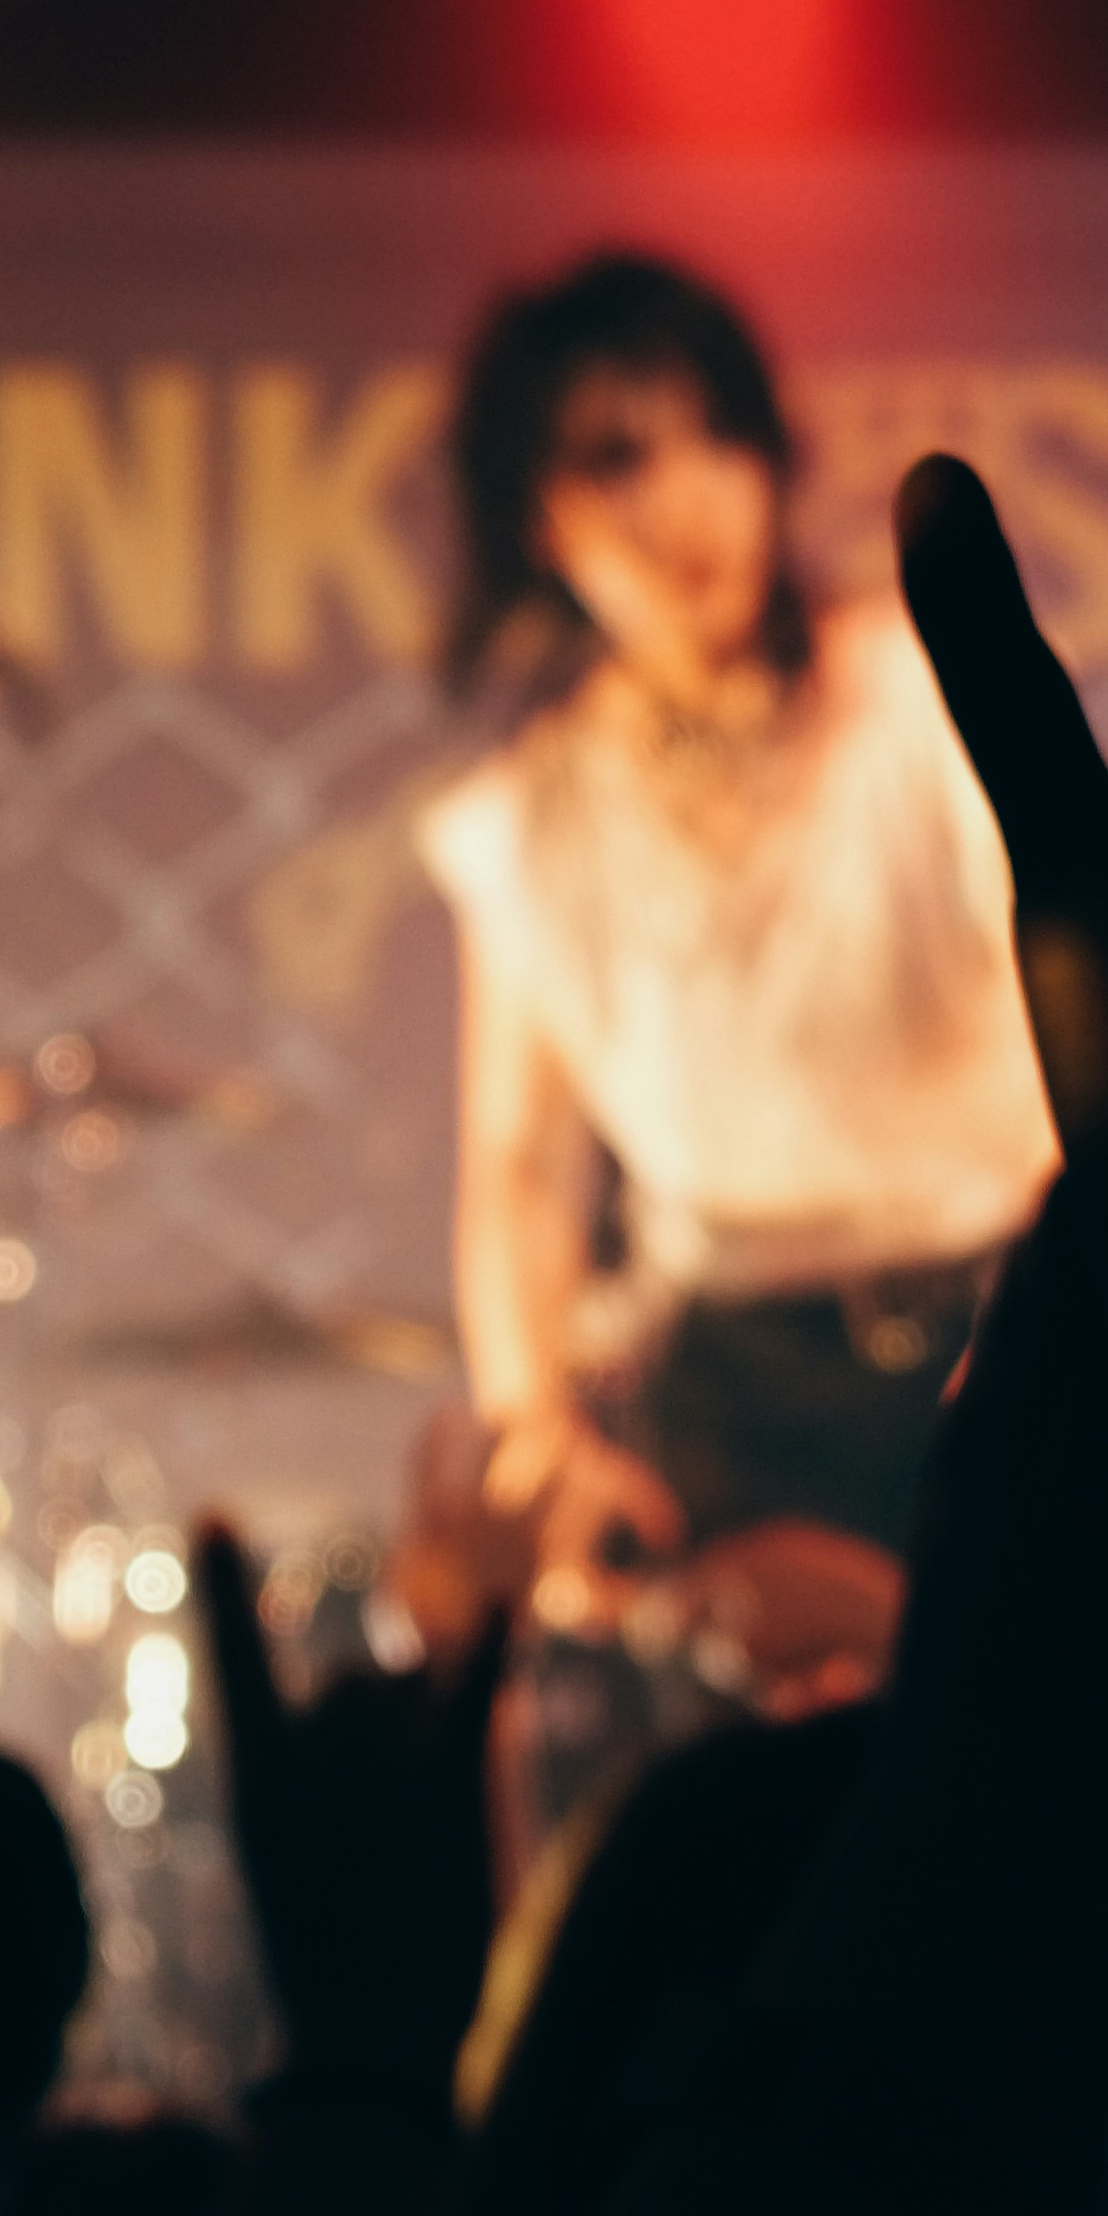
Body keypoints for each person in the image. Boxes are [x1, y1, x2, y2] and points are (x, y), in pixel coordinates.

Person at [418, 255, 1055, 1602]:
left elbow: (1078, 1001)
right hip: (733, 1406)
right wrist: (538, 1435)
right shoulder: (530, 821)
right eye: (615, 458)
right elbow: (519, 1170)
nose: (682, 499)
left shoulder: (909, 698)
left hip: (1006, 1334)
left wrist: (1082, 1311)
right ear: (538, 516)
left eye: (719, 436)